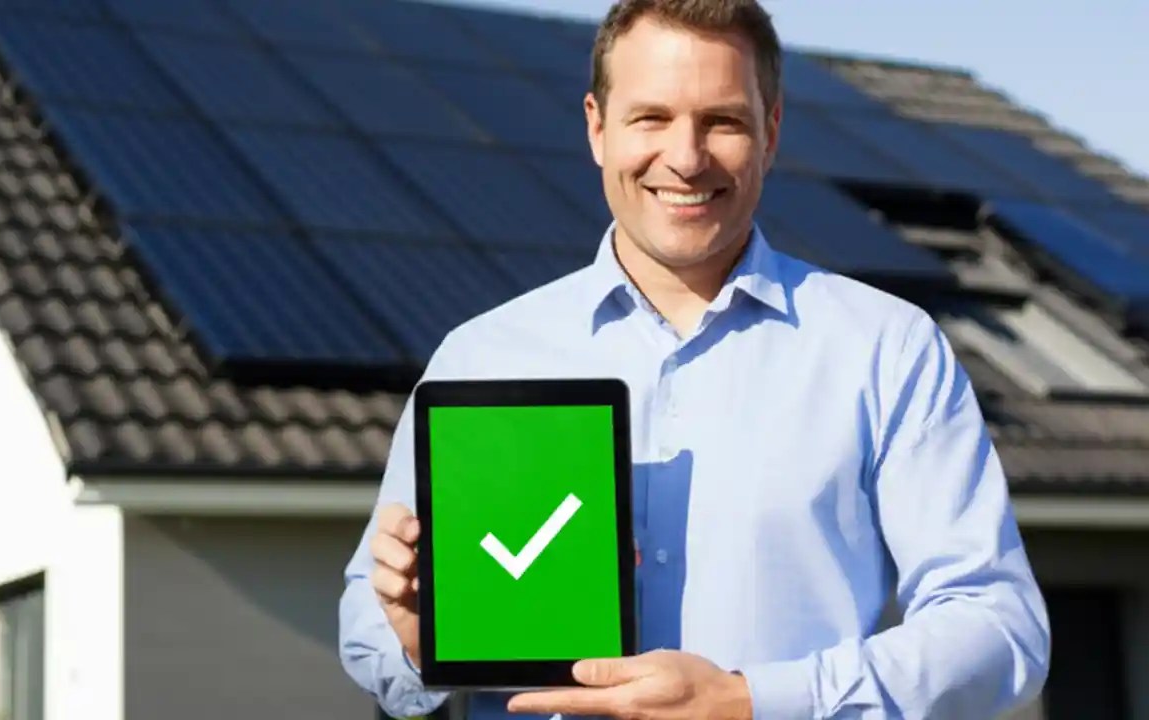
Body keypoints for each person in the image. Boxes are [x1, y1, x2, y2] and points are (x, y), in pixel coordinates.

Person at [338, 0, 1051, 717]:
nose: (685, 158)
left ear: (771, 134)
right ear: (597, 128)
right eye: (651, 118)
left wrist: (752, 702)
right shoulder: (484, 357)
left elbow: (997, 627)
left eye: (722, 121)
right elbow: (371, 638)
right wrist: (421, 642)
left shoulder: (884, 350)